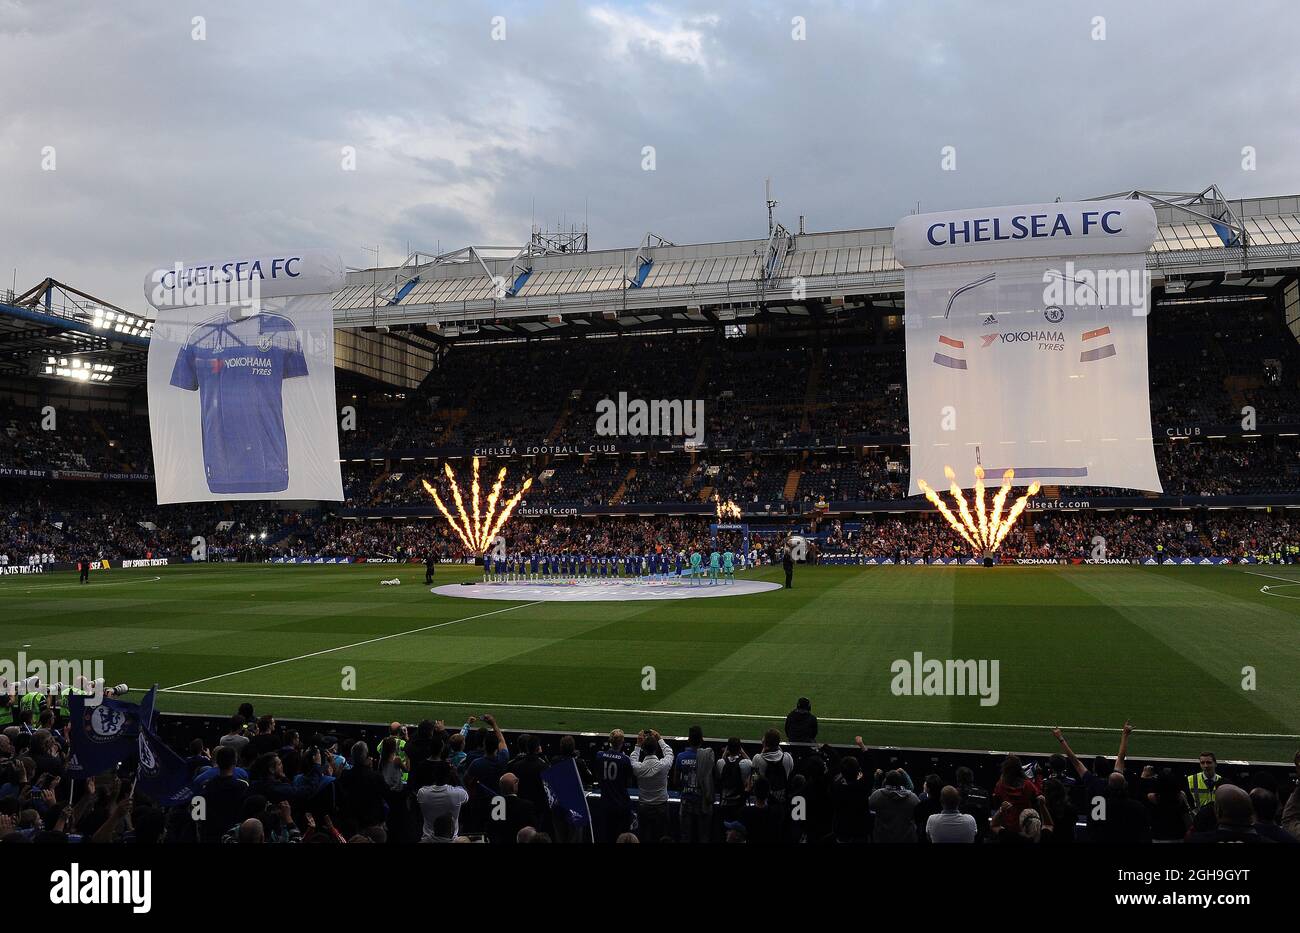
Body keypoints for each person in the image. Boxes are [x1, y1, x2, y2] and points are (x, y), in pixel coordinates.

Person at [629, 730, 673, 843]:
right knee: (662, 837)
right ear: (656, 749)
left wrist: (638, 744)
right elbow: (669, 753)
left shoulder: (638, 768)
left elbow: (632, 759)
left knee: (644, 837)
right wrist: (660, 738)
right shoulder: (663, 766)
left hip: (644, 807)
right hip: (661, 807)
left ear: (643, 750)